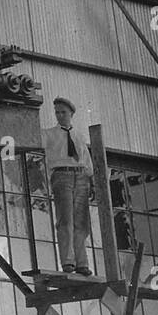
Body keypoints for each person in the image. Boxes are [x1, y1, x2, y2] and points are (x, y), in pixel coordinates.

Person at [41, 96, 94, 276]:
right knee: (66, 220)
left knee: (81, 221)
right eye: (57, 113)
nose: (60, 115)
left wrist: (90, 180)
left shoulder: (79, 136)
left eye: (63, 112)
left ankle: (82, 263)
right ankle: (68, 261)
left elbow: (86, 160)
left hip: (80, 176)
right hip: (61, 175)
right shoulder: (48, 134)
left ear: (71, 113)